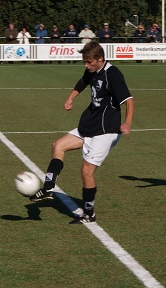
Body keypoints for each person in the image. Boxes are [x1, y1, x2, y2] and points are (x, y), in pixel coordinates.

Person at [29, 42, 134, 224]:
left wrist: (127, 123)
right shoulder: (92, 70)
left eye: (88, 62)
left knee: (86, 171)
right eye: (84, 62)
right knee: (58, 145)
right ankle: (48, 188)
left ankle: (89, 213)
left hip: (106, 130)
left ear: (100, 59)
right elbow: (83, 81)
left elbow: (129, 100)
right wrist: (71, 97)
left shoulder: (113, 74)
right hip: (90, 124)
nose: (86, 65)